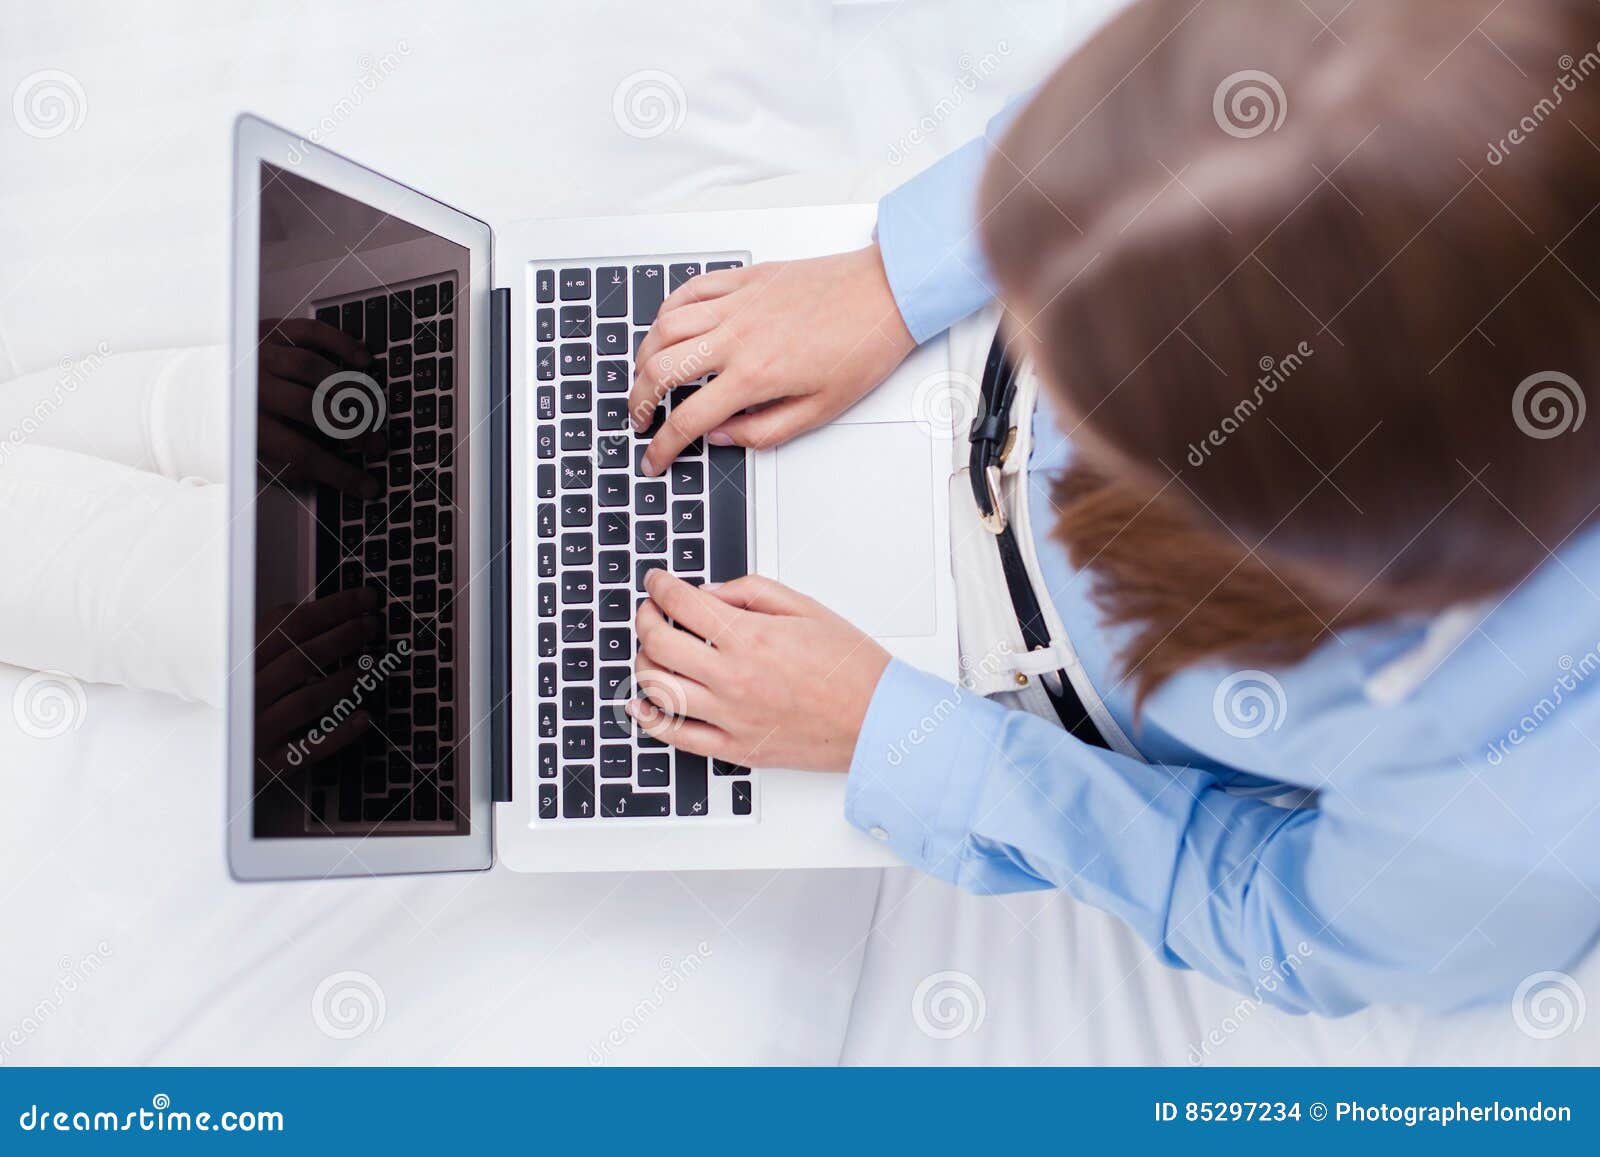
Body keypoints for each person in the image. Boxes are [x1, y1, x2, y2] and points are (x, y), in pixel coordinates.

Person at [620, 0, 1600, 1015]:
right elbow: (1214, 88)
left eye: (1084, 364)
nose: (1034, 334)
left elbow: (1274, 916)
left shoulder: (1528, 820)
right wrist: (895, 277)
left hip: (988, 694)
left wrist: (901, 741)